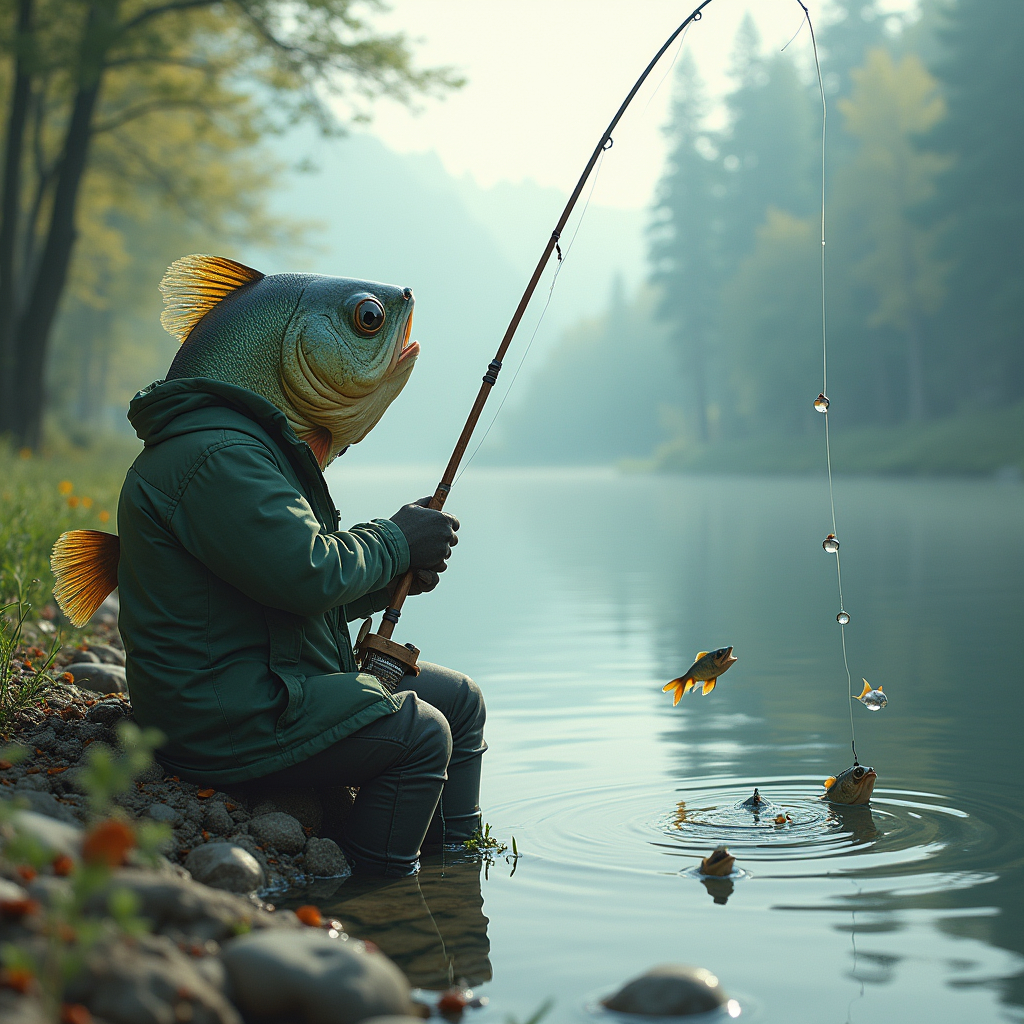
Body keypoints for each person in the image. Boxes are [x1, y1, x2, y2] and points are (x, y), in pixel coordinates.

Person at [113, 255, 486, 877]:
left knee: (460, 701)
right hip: (223, 717)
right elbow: (308, 575)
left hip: (268, 679)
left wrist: (394, 572)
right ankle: (379, 901)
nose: (387, 324)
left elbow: (278, 588)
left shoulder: (244, 447)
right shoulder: (219, 457)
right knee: (421, 735)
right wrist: (395, 542)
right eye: (367, 319)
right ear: (281, 353)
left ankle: (459, 875)